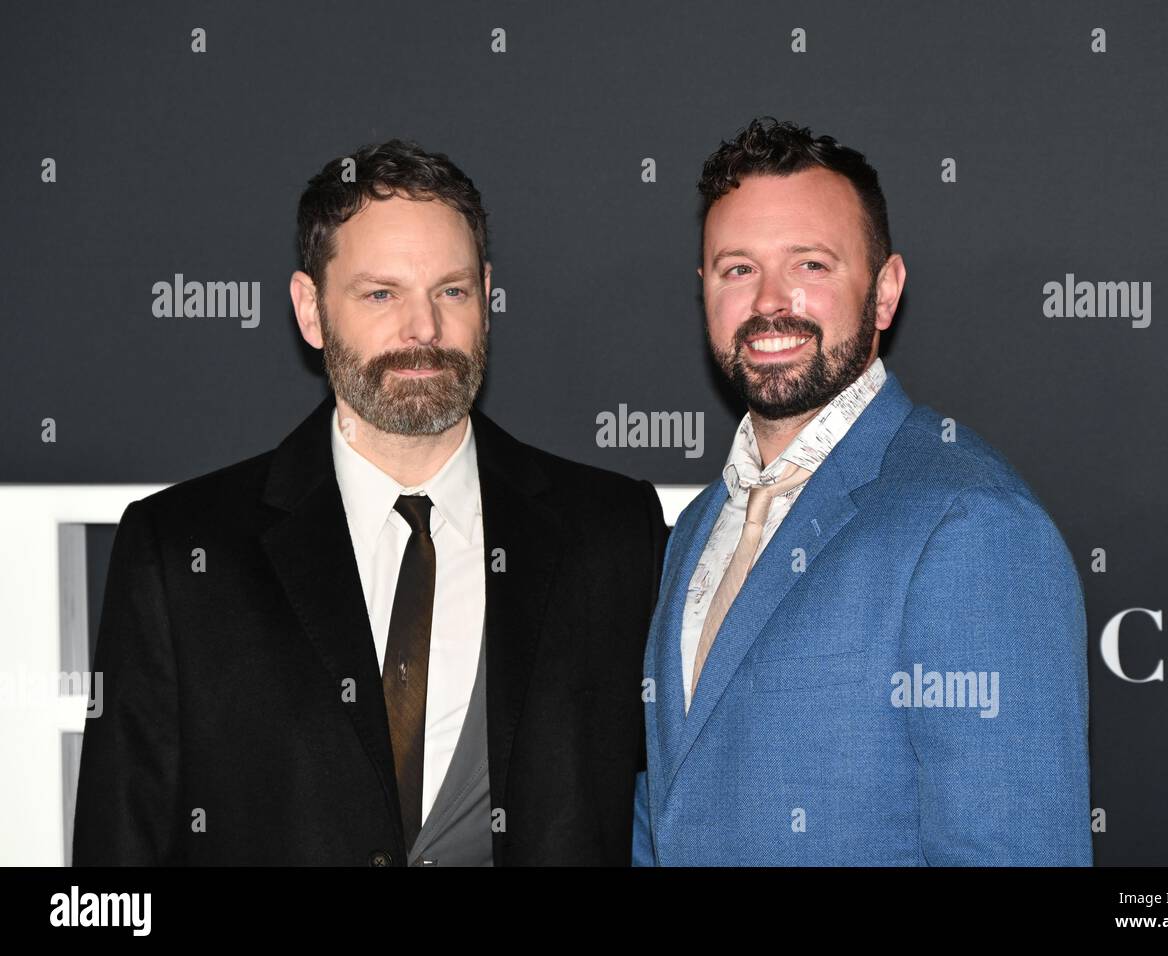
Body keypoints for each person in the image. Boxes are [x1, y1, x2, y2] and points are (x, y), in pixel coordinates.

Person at [73, 139, 667, 866]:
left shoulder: (612, 535)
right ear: (311, 309)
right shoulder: (181, 551)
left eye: (450, 291)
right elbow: (116, 863)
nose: (423, 330)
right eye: (381, 294)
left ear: (486, 295)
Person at [633, 118, 1092, 865]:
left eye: (811, 265)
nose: (770, 303)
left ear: (885, 292)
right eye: (737, 269)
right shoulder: (693, 530)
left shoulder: (970, 524)